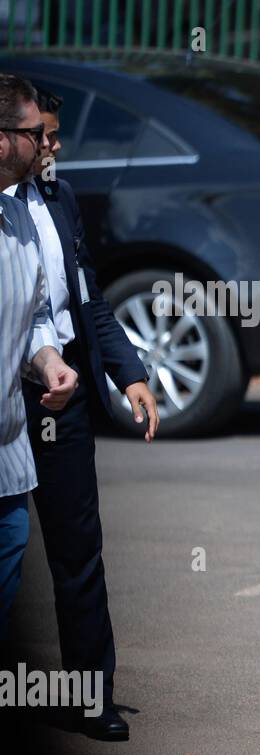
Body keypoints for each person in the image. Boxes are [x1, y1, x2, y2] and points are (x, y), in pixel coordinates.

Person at [3, 83, 159, 742]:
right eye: (44, 134)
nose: (54, 146)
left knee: (77, 550)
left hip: (57, 388)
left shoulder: (61, 202)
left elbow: (88, 301)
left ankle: (90, 694)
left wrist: (130, 374)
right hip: (14, 389)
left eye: (57, 134)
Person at [0, 73, 78, 639]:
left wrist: (49, 360)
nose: (48, 144)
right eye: (36, 134)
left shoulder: (23, 219)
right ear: (3, 141)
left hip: (8, 461)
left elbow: (34, 316)